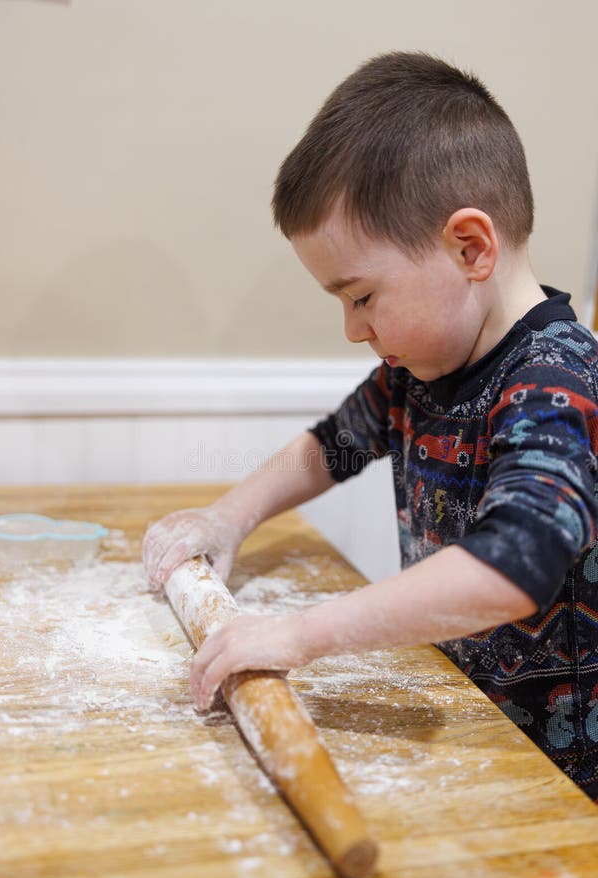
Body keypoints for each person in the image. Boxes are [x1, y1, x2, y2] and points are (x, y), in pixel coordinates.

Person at [143, 52, 598, 800]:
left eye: (361, 296)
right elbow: (334, 445)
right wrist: (228, 518)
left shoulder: (555, 385)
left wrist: (300, 633)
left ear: (470, 248)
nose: (353, 329)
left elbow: (511, 571)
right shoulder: (420, 370)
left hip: (561, 787)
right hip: (471, 741)